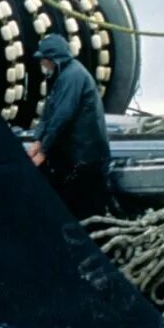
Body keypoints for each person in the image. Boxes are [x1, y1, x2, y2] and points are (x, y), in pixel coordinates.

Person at [27, 33, 112, 220]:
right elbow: (49, 113)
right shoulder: (61, 76)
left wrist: (44, 151)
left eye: (43, 59)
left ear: (52, 59)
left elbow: (62, 117)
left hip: (85, 157)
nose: (41, 63)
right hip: (75, 156)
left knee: (84, 212)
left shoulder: (72, 77)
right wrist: (37, 141)